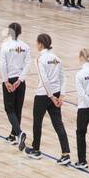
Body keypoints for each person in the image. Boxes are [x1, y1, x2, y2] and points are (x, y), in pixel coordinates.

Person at [28, 33, 71, 163]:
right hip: (56, 94)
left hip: (43, 94)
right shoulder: (57, 58)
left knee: (37, 122)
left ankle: (36, 149)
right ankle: (65, 154)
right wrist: (61, 96)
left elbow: (44, 80)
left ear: (40, 44)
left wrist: (51, 96)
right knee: (58, 124)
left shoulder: (40, 59)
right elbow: (63, 78)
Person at [0, 22, 31, 147]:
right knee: (18, 108)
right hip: (20, 81)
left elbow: (3, 64)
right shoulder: (25, 46)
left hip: (10, 79)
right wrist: (20, 80)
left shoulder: (5, 45)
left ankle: (19, 132)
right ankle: (13, 135)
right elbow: (28, 63)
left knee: (9, 108)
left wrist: (6, 81)